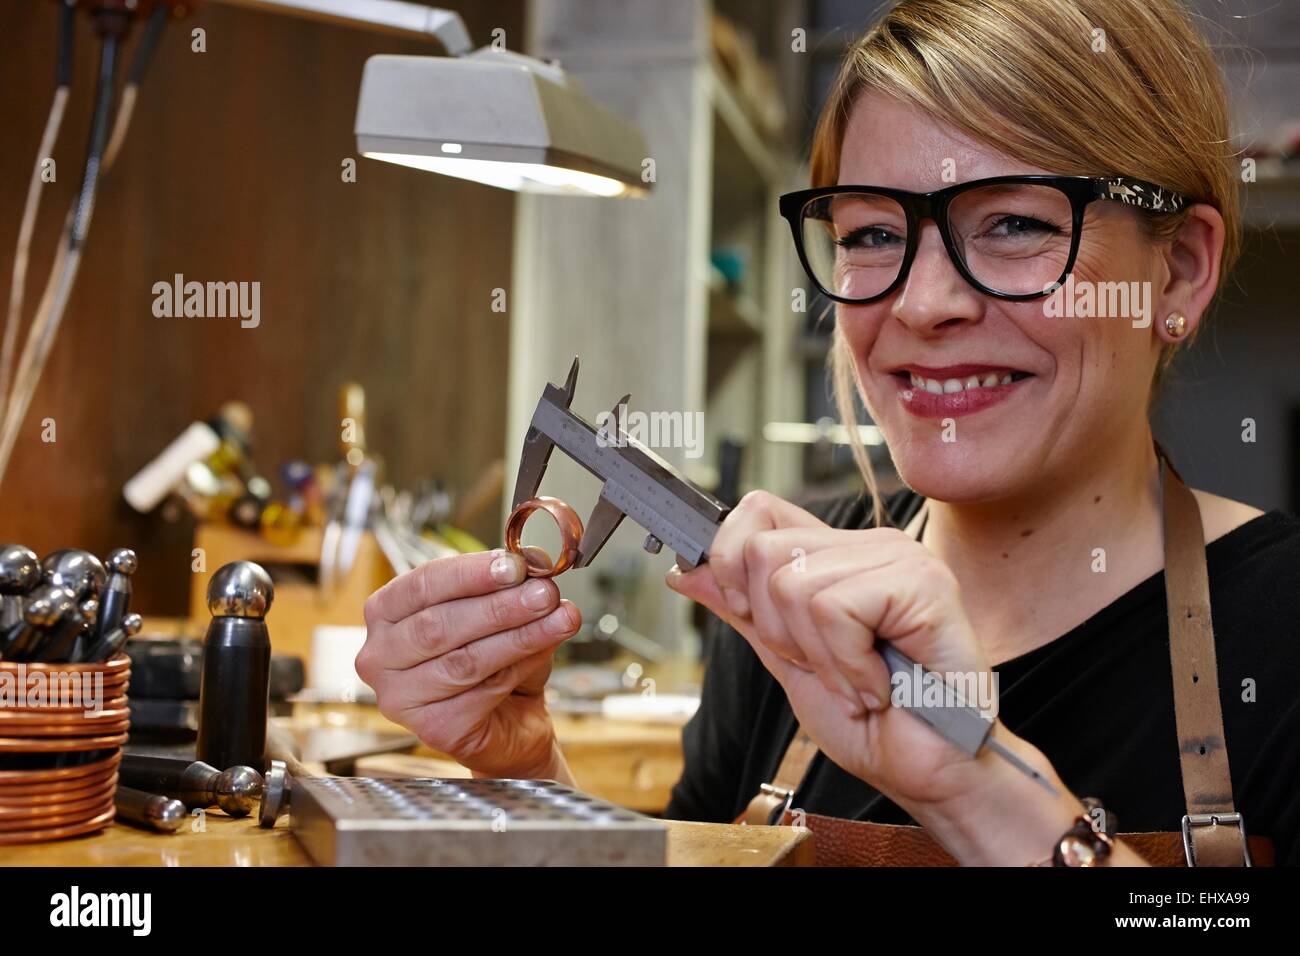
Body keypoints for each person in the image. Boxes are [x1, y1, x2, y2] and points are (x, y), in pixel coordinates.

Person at [357, 0, 1300, 865]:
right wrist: (528, 780)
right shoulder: (787, 590)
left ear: (1176, 270)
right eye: (871, 236)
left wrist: (982, 789)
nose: (923, 303)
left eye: (1014, 223)